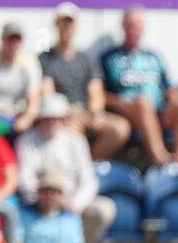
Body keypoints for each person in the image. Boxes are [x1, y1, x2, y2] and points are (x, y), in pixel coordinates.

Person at [15, 93, 116, 243]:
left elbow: (89, 181)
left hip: (71, 200)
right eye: (47, 118)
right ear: (40, 119)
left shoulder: (76, 141)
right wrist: (47, 198)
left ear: (63, 119)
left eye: (55, 118)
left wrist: (75, 203)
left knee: (104, 210)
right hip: (39, 201)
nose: (51, 123)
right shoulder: (26, 142)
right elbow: (24, 180)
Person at [101, 6, 178, 168]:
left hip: (159, 111)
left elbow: (168, 88)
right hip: (130, 112)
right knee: (143, 102)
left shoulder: (154, 57)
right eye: (130, 25)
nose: (134, 30)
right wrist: (121, 103)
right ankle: (160, 159)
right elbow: (101, 93)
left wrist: (175, 98)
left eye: (138, 26)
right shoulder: (109, 58)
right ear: (123, 27)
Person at [40, 2, 131, 161]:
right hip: (64, 115)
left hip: (86, 113)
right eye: (64, 22)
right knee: (73, 130)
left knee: (120, 128)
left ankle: (89, 163)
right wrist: (71, 113)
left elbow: (96, 91)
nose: (67, 27)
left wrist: (94, 113)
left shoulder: (86, 59)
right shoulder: (46, 58)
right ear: (56, 24)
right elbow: (48, 94)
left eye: (70, 22)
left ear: (76, 26)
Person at [0, 22, 41, 133]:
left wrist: (26, 120)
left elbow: (33, 101)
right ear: (2, 40)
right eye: (10, 39)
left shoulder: (30, 63)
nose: (13, 44)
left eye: (17, 40)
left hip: (19, 116)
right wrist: (1, 113)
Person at [19, 169, 85, 243]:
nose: (49, 195)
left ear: (61, 194)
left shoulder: (71, 220)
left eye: (54, 191)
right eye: (45, 190)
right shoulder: (22, 215)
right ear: (38, 192)